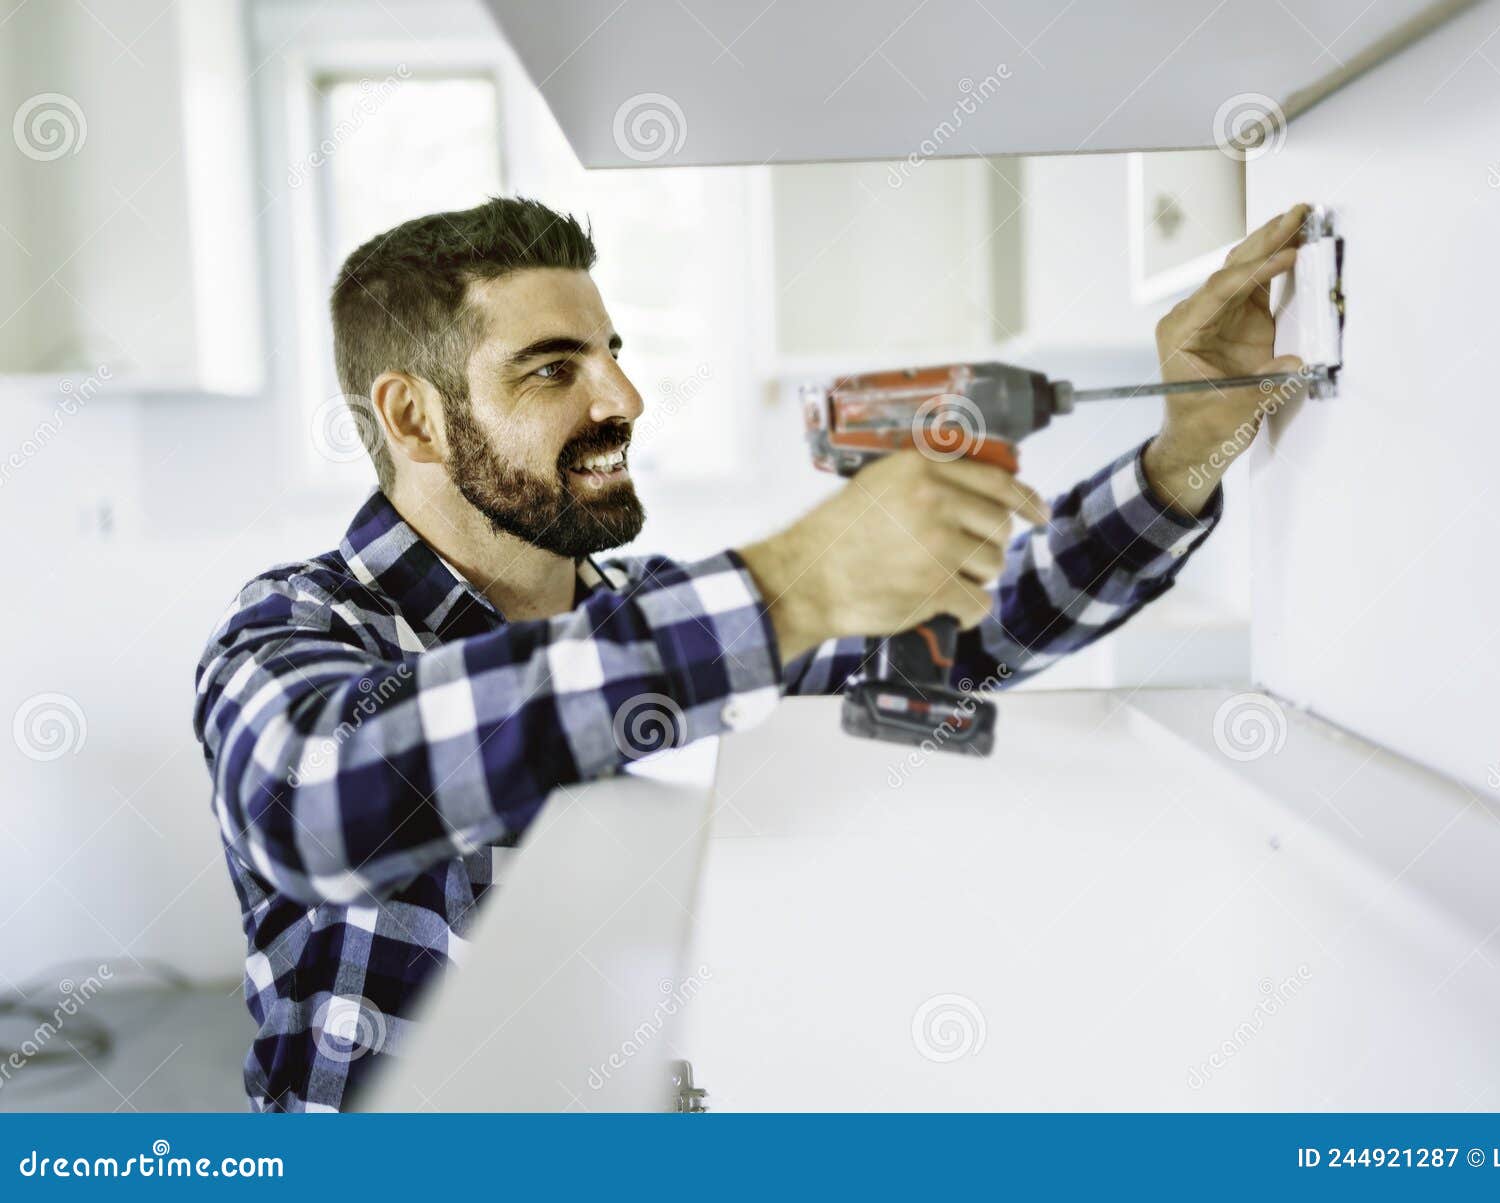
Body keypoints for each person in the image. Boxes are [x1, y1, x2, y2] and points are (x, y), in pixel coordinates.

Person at [193, 195, 1311, 1111]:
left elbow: (957, 641)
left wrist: (1186, 456)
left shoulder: (649, 613)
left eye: (612, 354)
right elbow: (316, 802)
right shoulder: (295, 628)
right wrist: (790, 585)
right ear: (413, 417)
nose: (624, 398)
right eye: (552, 369)